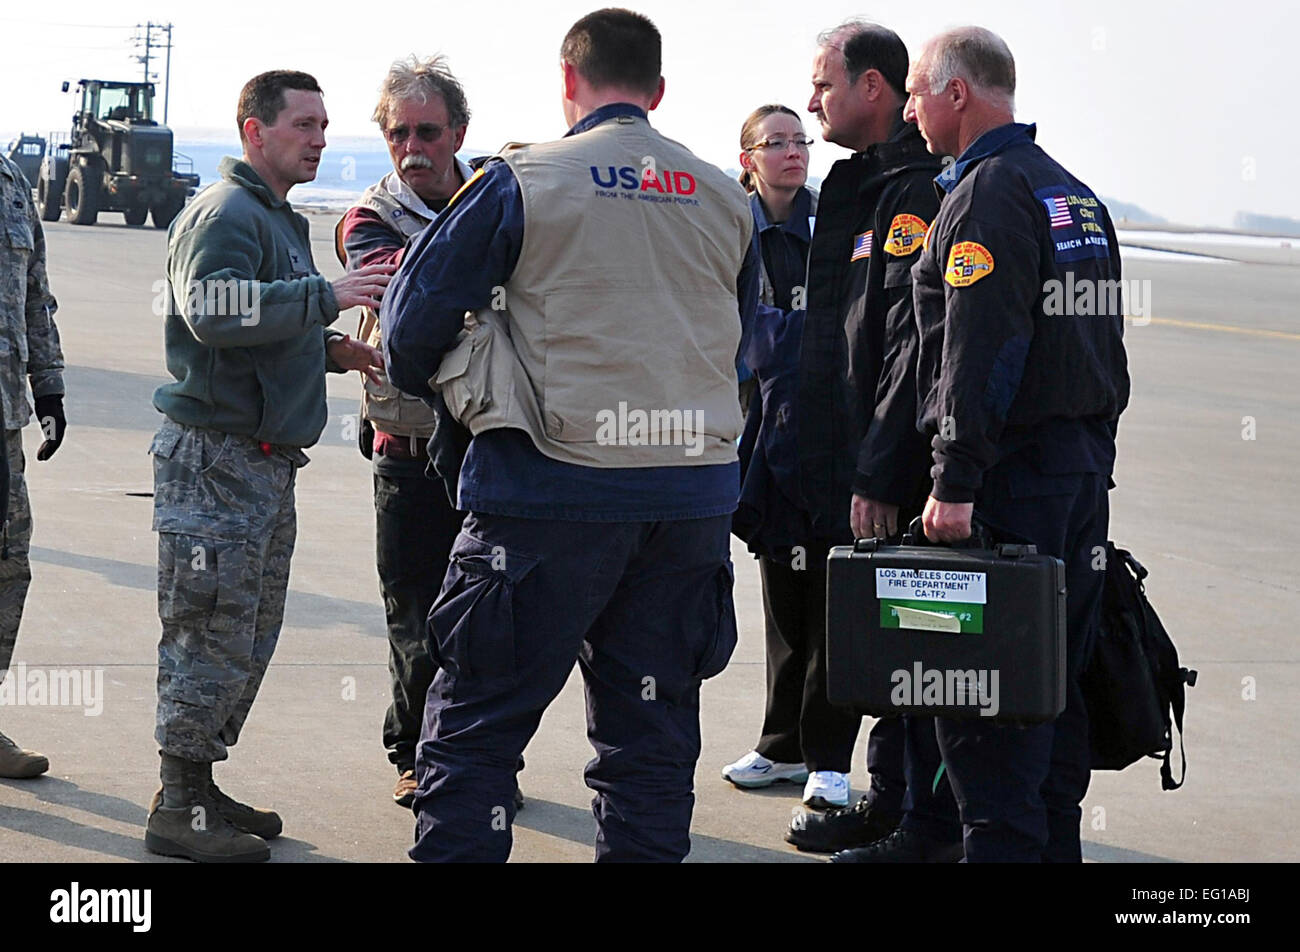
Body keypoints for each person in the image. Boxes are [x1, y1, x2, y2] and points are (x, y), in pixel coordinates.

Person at [383, 7, 758, 863]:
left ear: (567, 82)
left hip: (547, 495)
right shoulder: (722, 196)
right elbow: (746, 344)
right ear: (658, 91)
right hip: (688, 502)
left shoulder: (525, 181)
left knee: (475, 732)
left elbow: (408, 331)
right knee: (652, 744)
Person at [858, 26, 1128, 863]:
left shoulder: (985, 195)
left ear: (956, 95)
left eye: (913, 94)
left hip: (1009, 489)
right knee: (1053, 692)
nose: (908, 110)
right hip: (1076, 480)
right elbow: (1099, 351)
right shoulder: (1071, 193)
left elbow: (981, 350)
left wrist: (954, 481)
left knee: (986, 710)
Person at [146, 70, 392, 863]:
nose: (320, 138)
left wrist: (332, 351)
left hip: (260, 468)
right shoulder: (226, 213)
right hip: (216, 466)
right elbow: (213, 312)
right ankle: (177, 807)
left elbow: (265, 328)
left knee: (243, 635)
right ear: (255, 131)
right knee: (207, 632)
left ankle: (200, 785)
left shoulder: (274, 217)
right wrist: (328, 294)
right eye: (305, 124)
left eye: (324, 125)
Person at [790, 20, 963, 861]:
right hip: (839, 457)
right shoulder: (856, 183)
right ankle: (890, 799)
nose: (812, 97)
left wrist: (880, 467)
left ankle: (917, 818)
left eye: (824, 82)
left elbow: (911, 347)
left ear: (875, 89)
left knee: (911, 634)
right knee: (875, 634)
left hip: (884, 466)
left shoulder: (918, 188)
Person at [335, 54, 482, 810]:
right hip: (410, 449)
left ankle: (480, 760)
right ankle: (416, 755)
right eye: (399, 133)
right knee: (416, 615)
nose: (413, 147)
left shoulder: (496, 192)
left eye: (429, 131)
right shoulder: (369, 217)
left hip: (492, 447)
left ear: (459, 131)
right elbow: (410, 289)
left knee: (488, 617)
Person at [723, 104, 832, 804]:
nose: (793, 153)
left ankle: (829, 755)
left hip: (829, 435)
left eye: (801, 141)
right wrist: (802, 335)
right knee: (784, 597)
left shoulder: (835, 224)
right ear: (749, 159)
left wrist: (788, 336)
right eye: (777, 143)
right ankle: (781, 745)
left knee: (834, 602)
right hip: (757, 437)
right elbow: (733, 327)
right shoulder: (730, 226)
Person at [0, 153, 66, 780]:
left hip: (4, 419)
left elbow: (34, 291)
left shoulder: (11, 179)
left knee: (7, 566)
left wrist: (48, 387)